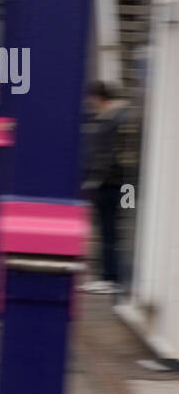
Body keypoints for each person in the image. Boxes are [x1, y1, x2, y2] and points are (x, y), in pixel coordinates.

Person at [80, 81, 128, 295]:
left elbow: (108, 155)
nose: (89, 102)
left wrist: (96, 177)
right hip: (109, 182)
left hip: (111, 184)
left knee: (110, 230)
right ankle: (107, 275)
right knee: (107, 230)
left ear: (98, 97)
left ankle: (111, 277)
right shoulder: (106, 118)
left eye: (91, 98)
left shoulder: (112, 119)